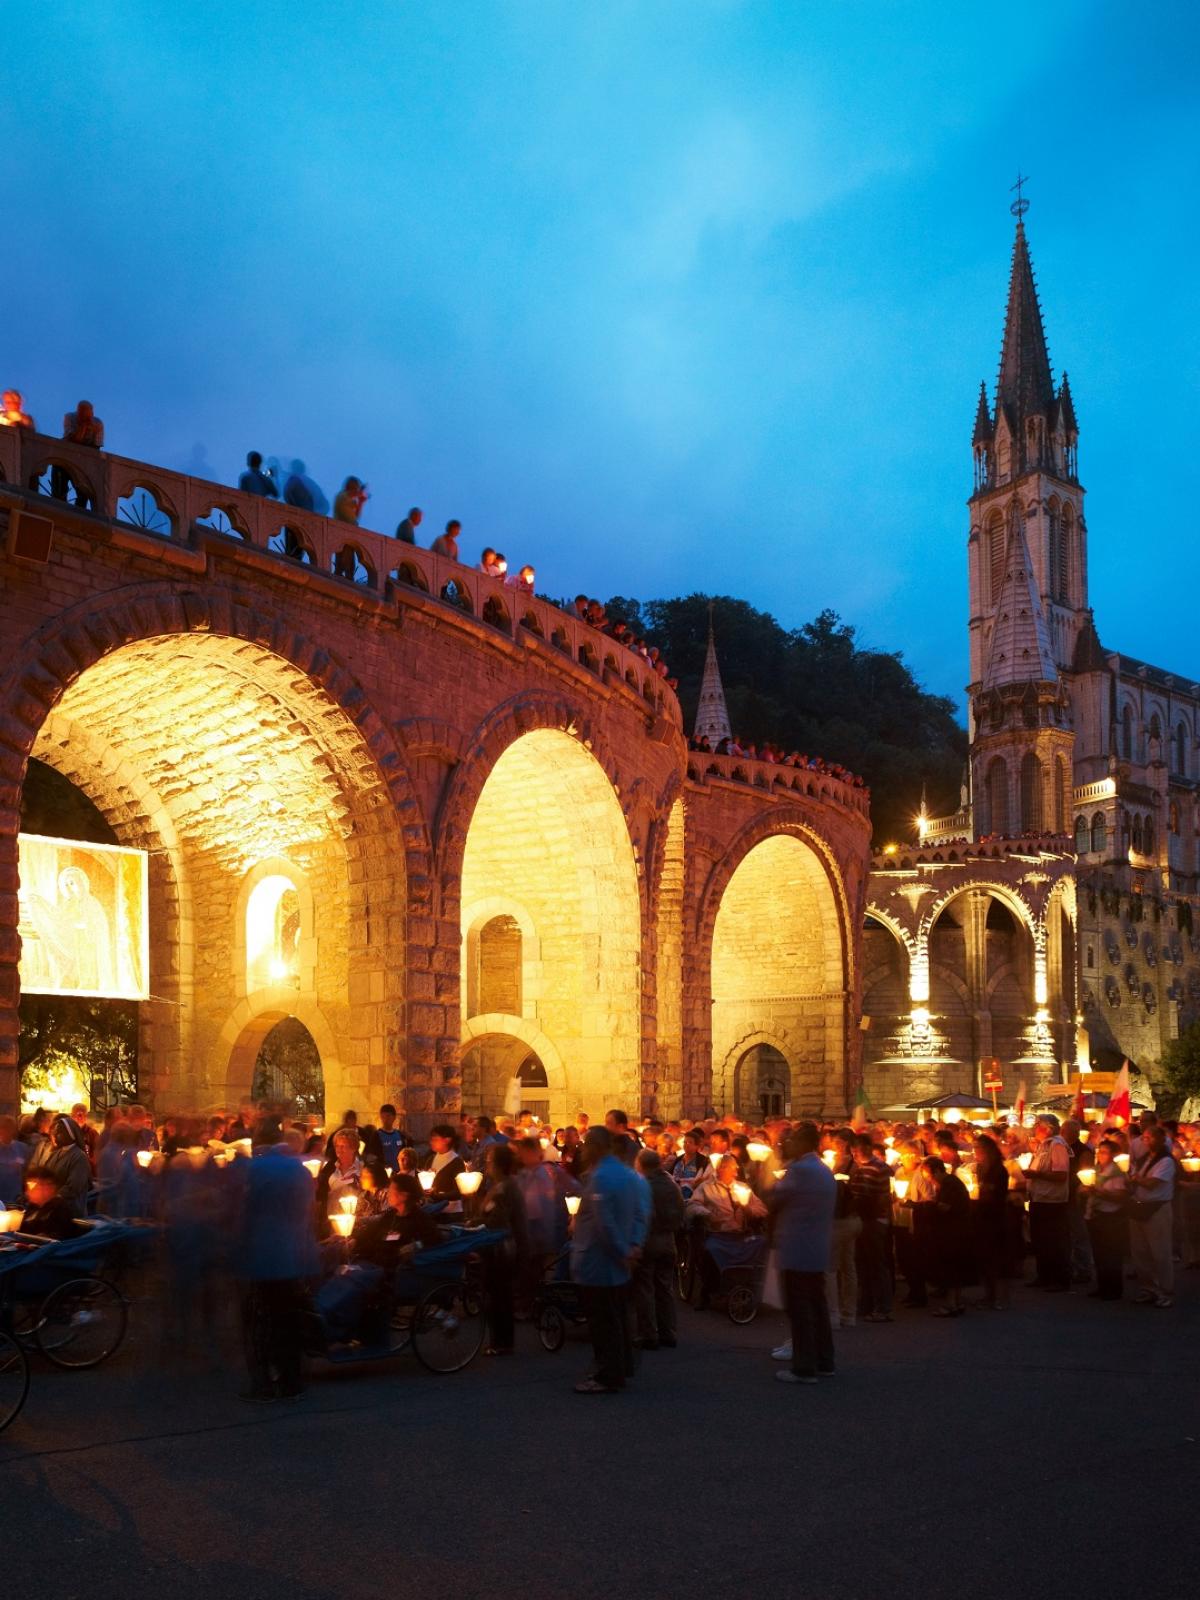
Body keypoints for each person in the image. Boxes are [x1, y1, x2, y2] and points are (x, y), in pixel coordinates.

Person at [233, 1119, 319, 1402]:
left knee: (262, 1321)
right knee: (288, 1319)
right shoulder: (300, 1171)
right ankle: (292, 1380)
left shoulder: (255, 1169)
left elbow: (245, 1212)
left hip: (262, 1256)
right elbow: (309, 1214)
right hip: (293, 1254)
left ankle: (264, 1385)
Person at [570, 1126, 646, 1394]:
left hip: (599, 1261)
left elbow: (605, 1224)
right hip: (618, 1261)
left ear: (595, 1147)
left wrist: (623, 1251)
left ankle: (607, 1375)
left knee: (603, 1323)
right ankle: (619, 1367)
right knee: (616, 1318)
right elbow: (639, 1212)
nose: (582, 1150)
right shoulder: (627, 1174)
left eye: (586, 1145)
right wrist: (634, 1244)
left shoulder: (600, 1177)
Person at [768, 1123, 836, 1385]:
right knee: (817, 1306)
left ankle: (804, 1368)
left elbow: (774, 1199)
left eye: (793, 1139)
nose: (789, 1143)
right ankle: (824, 1360)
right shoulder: (822, 1170)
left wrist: (770, 1177)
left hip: (797, 1249)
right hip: (817, 1248)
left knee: (801, 1309)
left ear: (805, 1143)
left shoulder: (799, 1170)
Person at [632, 1148, 685, 1350]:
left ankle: (648, 1334)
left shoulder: (643, 1185)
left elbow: (643, 1214)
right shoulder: (671, 1183)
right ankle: (668, 1332)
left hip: (650, 1239)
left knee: (645, 1288)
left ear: (641, 1165)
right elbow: (681, 1210)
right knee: (665, 1288)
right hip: (669, 1240)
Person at [479, 1143, 528, 1356]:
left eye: (489, 1161)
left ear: (499, 1165)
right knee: (499, 1295)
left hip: (503, 1249)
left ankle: (502, 1342)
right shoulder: (501, 1185)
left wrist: (478, 1223)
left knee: (499, 1296)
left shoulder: (504, 1188)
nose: (487, 1165)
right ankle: (501, 1341)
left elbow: (498, 1219)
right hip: (502, 1247)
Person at [1128, 1125, 1175, 1308]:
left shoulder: (1166, 1161)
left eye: (1149, 1138)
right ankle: (1148, 1289)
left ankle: (1166, 1292)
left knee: (1160, 1253)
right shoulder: (1144, 1159)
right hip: (1140, 1207)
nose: (1146, 1141)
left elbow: (1152, 1183)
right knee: (1140, 1252)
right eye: (1144, 1138)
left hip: (1157, 1209)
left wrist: (1135, 1179)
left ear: (1161, 1140)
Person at [850, 1133, 893, 1321]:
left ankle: (882, 1307)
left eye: (856, 1149)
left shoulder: (879, 1167)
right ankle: (866, 1304)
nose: (854, 1153)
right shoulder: (858, 1166)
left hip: (874, 1220)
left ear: (866, 1147)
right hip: (861, 1219)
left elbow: (880, 1197)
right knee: (863, 1263)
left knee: (876, 1264)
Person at [1027, 1113, 1071, 1291]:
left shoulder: (1057, 1145)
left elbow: (1061, 1175)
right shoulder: (1042, 1146)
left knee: (1054, 1242)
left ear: (1048, 1128)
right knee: (1041, 1241)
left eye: (1038, 1125)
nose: (1035, 1128)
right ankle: (1044, 1275)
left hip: (1052, 1201)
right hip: (1039, 1198)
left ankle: (1059, 1279)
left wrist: (1037, 1174)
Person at [924, 1157, 972, 1316]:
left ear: (937, 1171)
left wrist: (926, 1205)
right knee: (956, 1268)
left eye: (930, 1176)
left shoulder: (949, 1184)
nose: (931, 1181)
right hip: (960, 1230)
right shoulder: (952, 1182)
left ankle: (951, 1305)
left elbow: (945, 1207)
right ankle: (957, 1302)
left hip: (953, 1232)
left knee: (951, 1267)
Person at [1086, 1137, 1129, 1301]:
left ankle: (1114, 1289)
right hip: (1096, 1214)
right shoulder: (1096, 1170)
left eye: (1104, 1152)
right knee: (1099, 1253)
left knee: (1111, 1254)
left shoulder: (1116, 1172)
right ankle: (1102, 1286)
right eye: (1099, 1151)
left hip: (1111, 1216)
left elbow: (1120, 1196)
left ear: (1112, 1155)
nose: (1100, 1155)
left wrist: (1098, 1192)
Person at [970, 1134, 1009, 1309]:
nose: (976, 1151)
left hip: (995, 1217)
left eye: (979, 1148)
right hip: (981, 1216)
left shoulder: (999, 1170)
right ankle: (989, 1295)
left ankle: (999, 1298)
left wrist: (983, 1190)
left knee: (996, 1259)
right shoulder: (979, 1168)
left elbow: (994, 1193)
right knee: (985, 1258)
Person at [41, 1114, 91, 1216]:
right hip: (52, 1210)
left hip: (70, 1212)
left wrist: (52, 1197)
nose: (55, 1135)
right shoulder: (55, 1154)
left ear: (70, 1134)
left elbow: (73, 1187)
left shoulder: (79, 1157)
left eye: (59, 1132)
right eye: (55, 1132)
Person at [20, 1167, 82, 1240]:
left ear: (49, 1187)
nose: (27, 1191)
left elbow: (59, 1236)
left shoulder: (60, 1209)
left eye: (32, 1186)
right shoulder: (32, 1207)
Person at [0, 1115, 30, 1207]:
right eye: (3, 1128)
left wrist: (26, 1193)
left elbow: (28, 1173)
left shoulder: (22, 1148)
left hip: (17, 1199)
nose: (6, 1131)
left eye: (9, 1128)